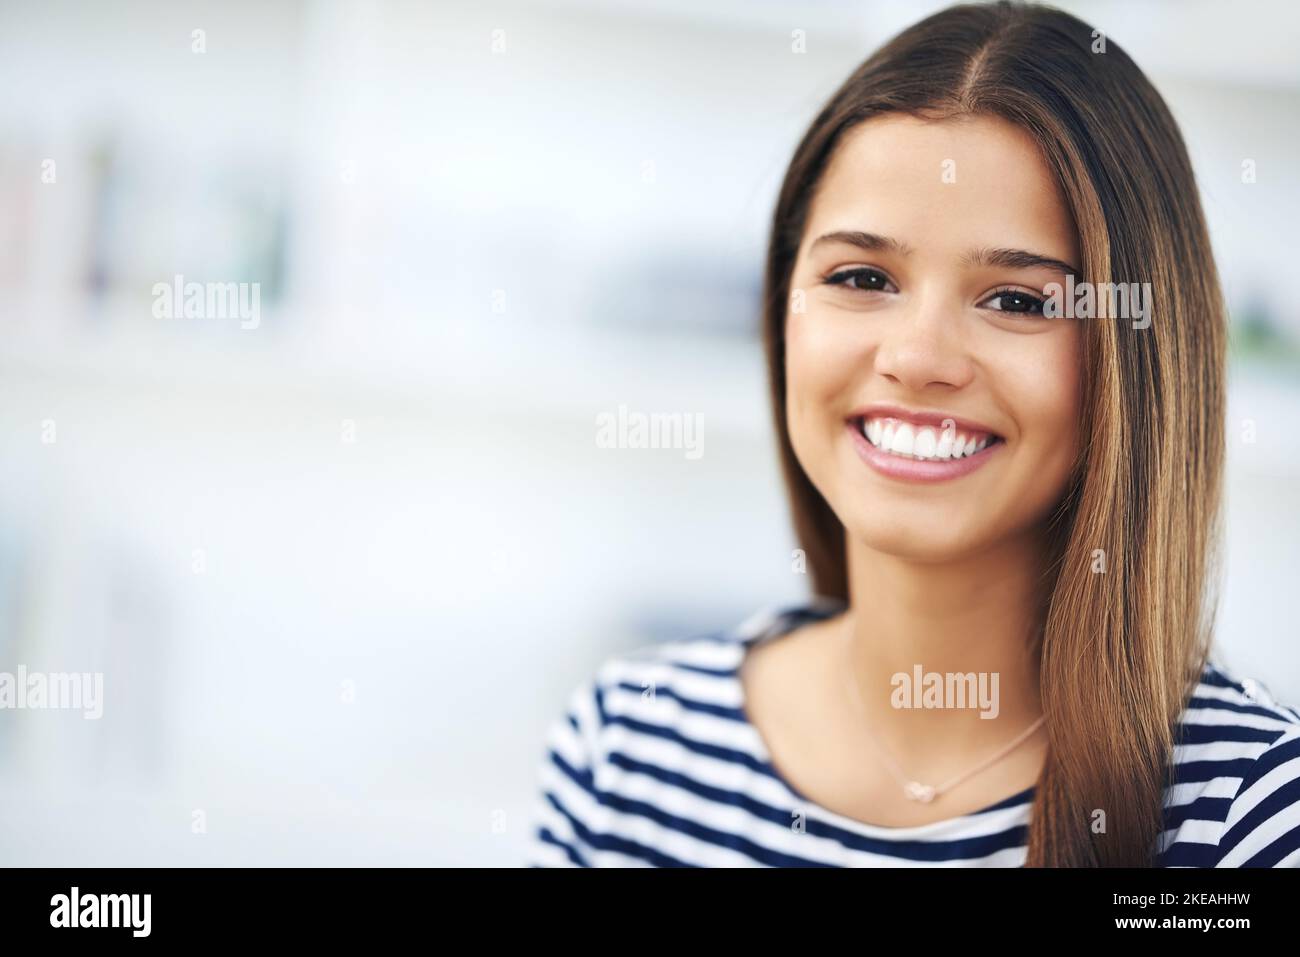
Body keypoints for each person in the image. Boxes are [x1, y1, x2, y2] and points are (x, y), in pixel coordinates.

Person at [527, 0, 1300, 867]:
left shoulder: (1249, 815)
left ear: (1139, 355)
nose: (918, 356)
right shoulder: (627, 751)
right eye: (861, 277)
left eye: (1018, 300)